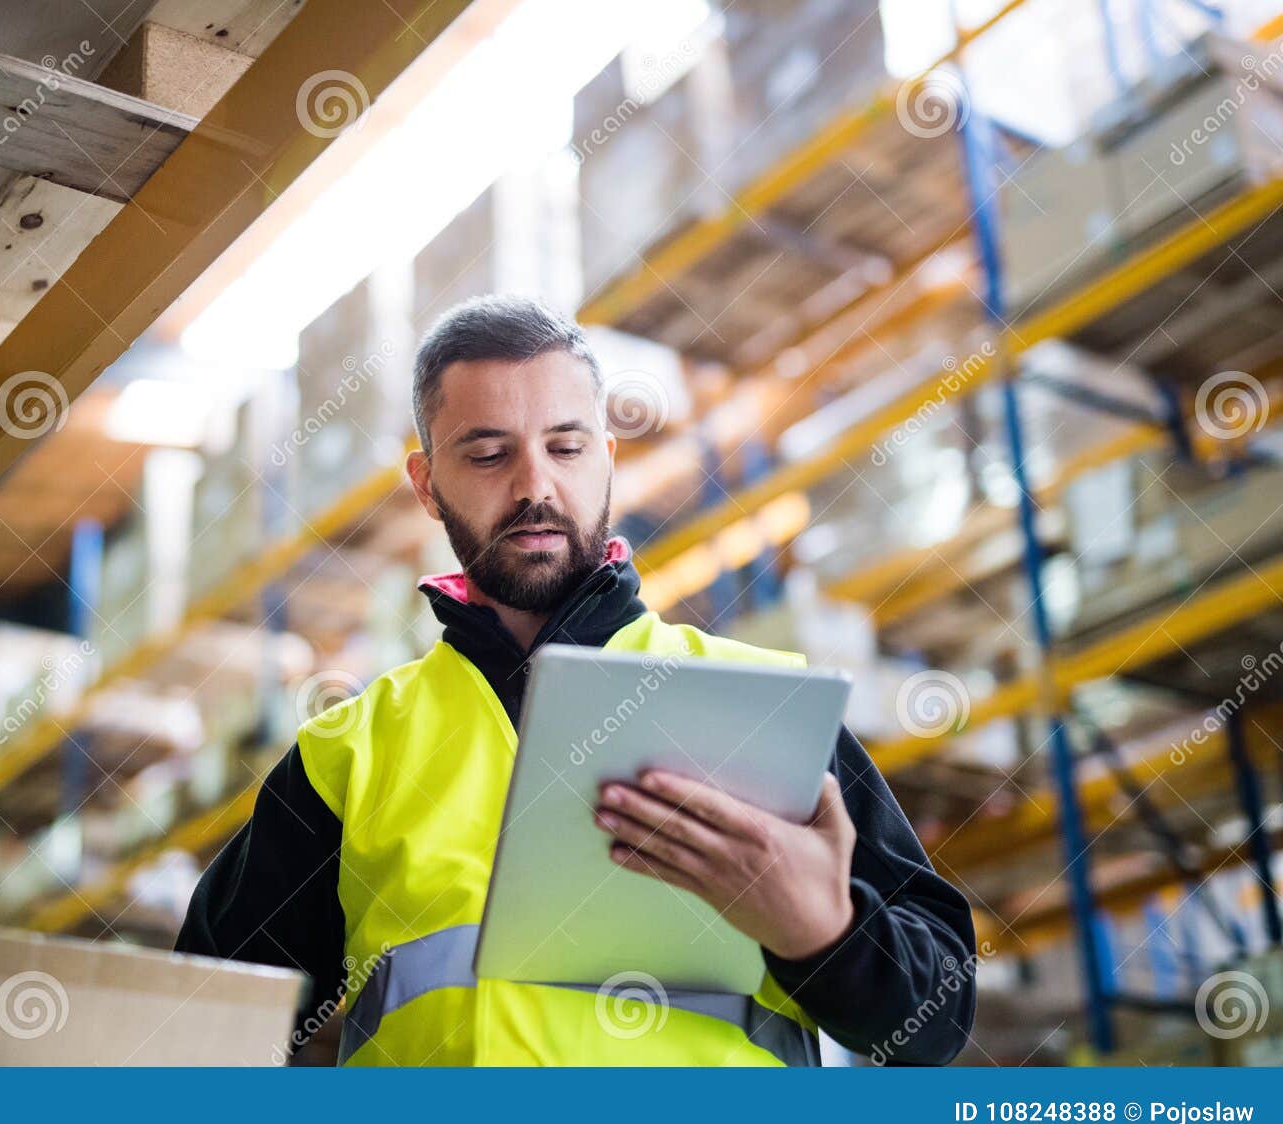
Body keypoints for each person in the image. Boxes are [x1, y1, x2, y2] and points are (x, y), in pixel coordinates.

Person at [177, 294, 976, 1066]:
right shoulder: (346, 760)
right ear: (426, 485)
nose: (534, 486)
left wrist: (827, 935)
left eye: (565, 447)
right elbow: (189, 1041)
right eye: (488, 453)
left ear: (607, 458)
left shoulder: (760, 705)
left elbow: (936, 1023)